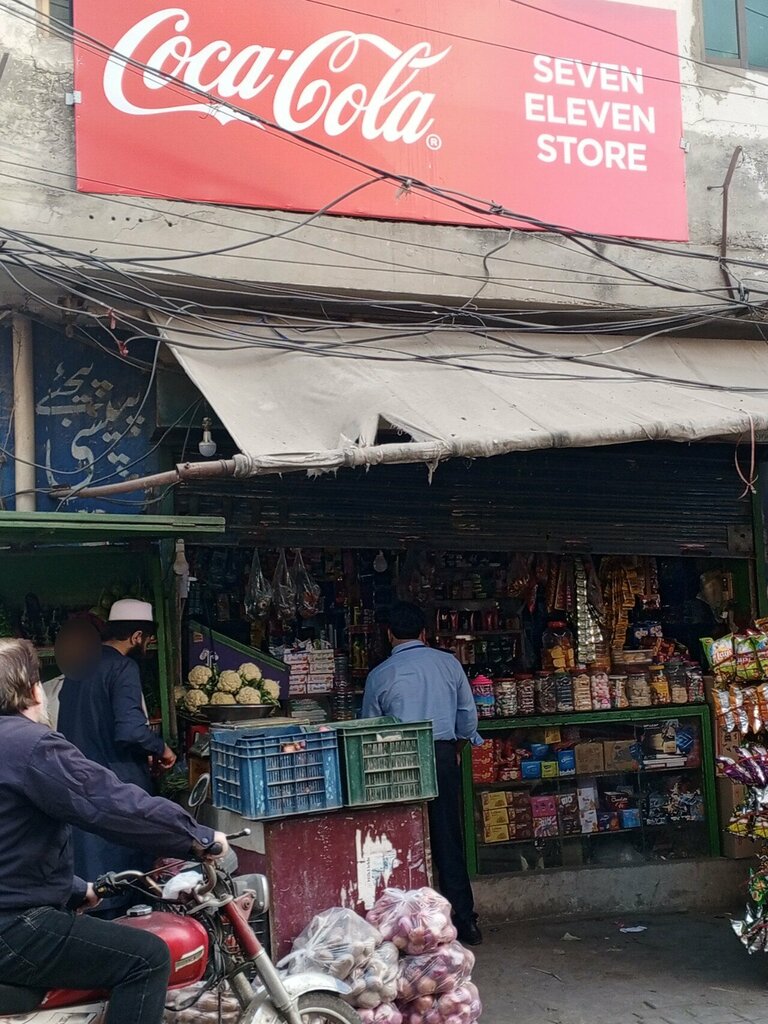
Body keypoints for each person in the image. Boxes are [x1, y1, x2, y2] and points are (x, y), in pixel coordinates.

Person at [0, 637, 229, 1024]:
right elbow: (108, 803)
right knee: (148, 957)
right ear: (32, 689)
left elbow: (12, 848)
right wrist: (197, 837)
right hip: (15, 928)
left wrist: (78, 889)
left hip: (14, 919)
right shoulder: (30, 745)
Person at [362, 602, 482, 946]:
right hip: (443, 753)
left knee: (401, 838)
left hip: (397, 758)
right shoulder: (448, 663)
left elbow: (369, 728)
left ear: (389, 635)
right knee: (448, 837)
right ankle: (464, 920)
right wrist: (455, 751)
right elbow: (467, 716)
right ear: (424, 633)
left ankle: (405, 925)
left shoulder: (380, 674)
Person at [57, 599, 177, 907]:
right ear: (137, 636)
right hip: (116, 782)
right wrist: (161, 748)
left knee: (94, 876)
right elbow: (131, 731)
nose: (147, 645)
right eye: (148, 639)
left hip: (79, 781)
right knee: (127, 877)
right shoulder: (124, 666)